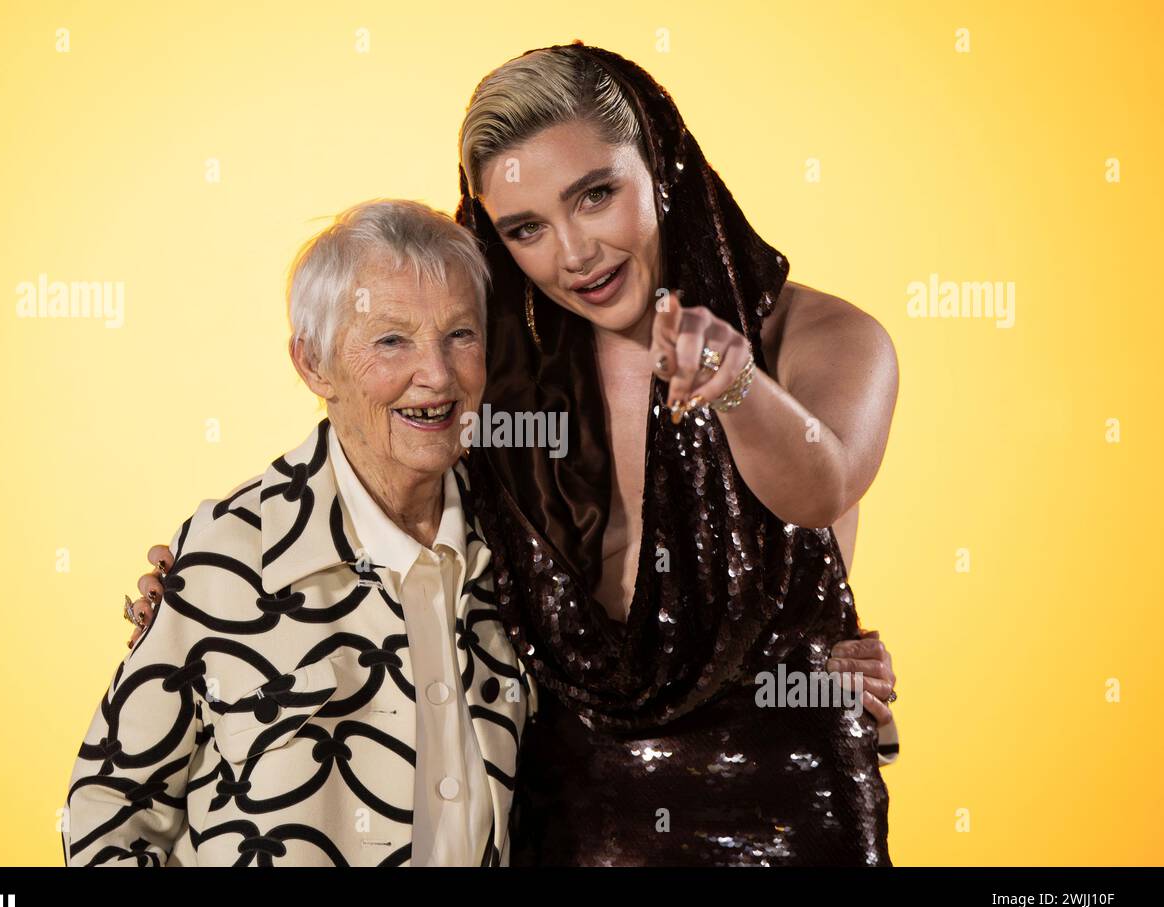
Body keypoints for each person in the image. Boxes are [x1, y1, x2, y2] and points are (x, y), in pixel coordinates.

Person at [123, 42, 900, 865]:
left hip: (783, 805)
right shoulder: (497, 365)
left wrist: (733, 377)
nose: (574, 253)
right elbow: (381, 477)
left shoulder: (820, 339)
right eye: (527, 228)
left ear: (663, 162)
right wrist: (225, 581)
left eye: (596, 195)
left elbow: (819, 486)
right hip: (565, 812)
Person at [65, 199, 533, 866]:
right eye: (391, 340)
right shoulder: (227, 555)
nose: (436, 374)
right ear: (314, 363)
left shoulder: (518, 550)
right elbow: (109, 813)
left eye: (460, 335)